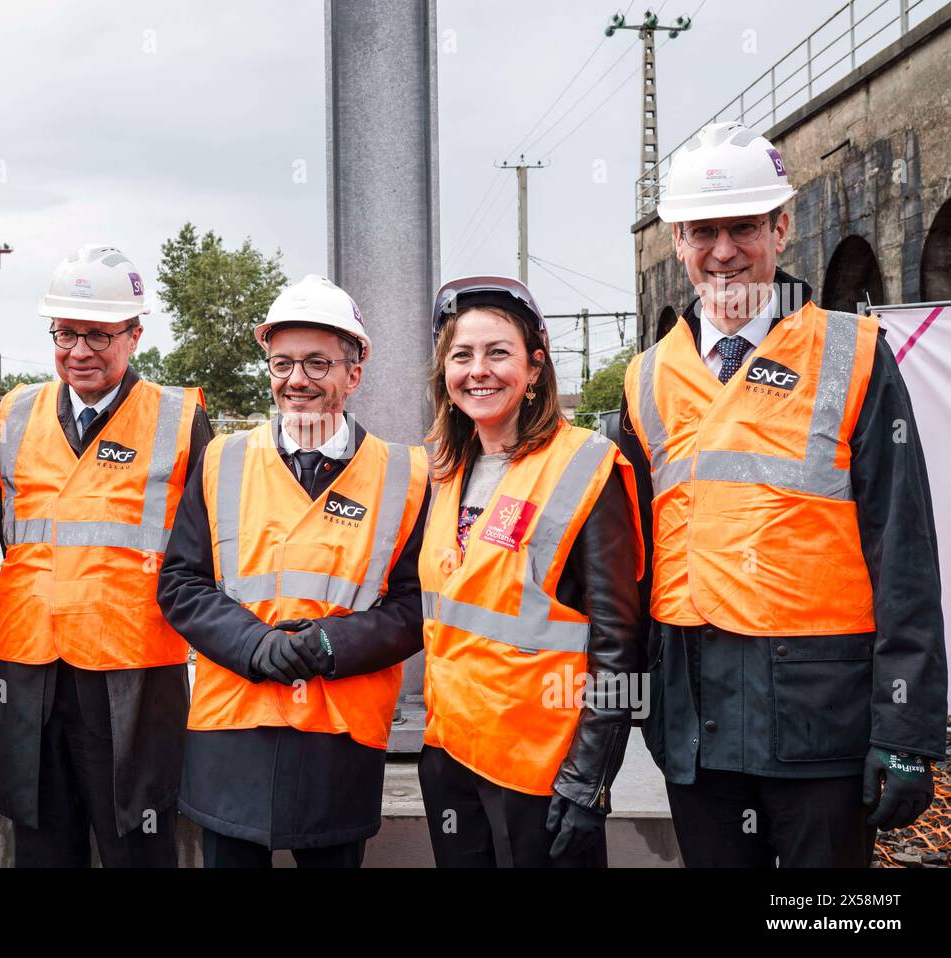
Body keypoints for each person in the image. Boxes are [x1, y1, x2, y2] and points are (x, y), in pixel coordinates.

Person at [620, 121, 947, 867]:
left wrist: (906, 730)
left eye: (744, 227)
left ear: (783, 226)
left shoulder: (853, 354)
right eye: (704, 231)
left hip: (821, 723)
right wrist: (631, 709)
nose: (725, 251)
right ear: (677, 240)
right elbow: (630, 563)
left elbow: (905, 550)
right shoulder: (647, 381)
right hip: (695, 721)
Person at [157, 275, 429, 867]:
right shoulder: (221, 460)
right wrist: (255, 646)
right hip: (233, 722)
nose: (297, 380)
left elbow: (417, 605)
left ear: (352, 374)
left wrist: (329, 644)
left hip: (340, 730)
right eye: (282, 363)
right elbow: (180, 583)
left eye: (316, 363)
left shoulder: (406, 475)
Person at [0, 246, 210, 867]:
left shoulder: (179, 420)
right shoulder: (15, 413)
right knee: (42, 842)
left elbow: (204, 554)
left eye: (98, 335)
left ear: (133, 334)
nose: (79, 351)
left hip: (133, 669)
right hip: (28, 669)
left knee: (138, 838)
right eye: (66, 333)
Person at [417, 276, 643, 867]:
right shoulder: (442, 472)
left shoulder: (584, 467)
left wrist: (589, 776)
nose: (478, 371)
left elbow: (618, 643)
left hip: (541, 772)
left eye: (499, 353)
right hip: (449, 757)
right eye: (461, 355)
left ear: (535, 367)